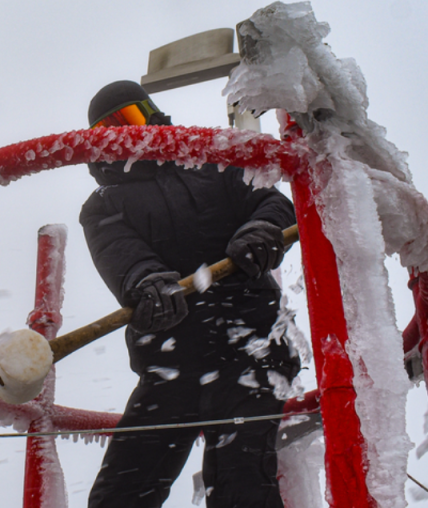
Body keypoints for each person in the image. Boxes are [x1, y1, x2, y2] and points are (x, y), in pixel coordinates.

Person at [79, 80, 300, 508]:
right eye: (110, 129)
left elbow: (270, 203)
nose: (125, 134)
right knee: (121, 491)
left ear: (153, 114)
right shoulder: (104, 204)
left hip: (250, 343)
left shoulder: (212, 163)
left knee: (243, 485)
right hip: (171, 357)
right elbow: (122, 259)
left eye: (131, 118)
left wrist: (259, 231)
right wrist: (149, 284)